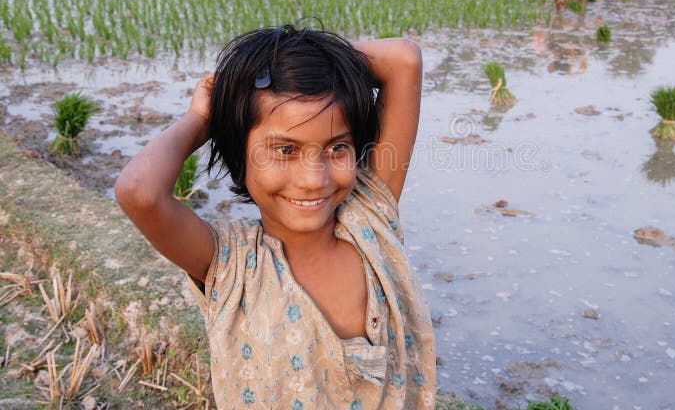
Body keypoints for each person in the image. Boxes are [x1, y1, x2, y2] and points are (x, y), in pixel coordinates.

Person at [115, 25, 436, 408]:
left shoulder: (370, 217)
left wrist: (289, 62)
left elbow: (404, 60)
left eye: (337, 148)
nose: (313, 179)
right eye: (285, 150)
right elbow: (139, 192)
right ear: (239, 155)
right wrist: (205, 115)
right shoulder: (229, 264)